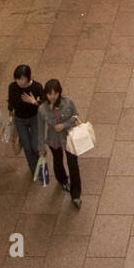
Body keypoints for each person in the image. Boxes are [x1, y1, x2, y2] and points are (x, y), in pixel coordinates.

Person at [39, 78, 82, 208]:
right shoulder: (43, 108)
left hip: (69, 137)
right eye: (49, 93)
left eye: (55, 93)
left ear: (59, 93)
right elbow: (40, 128)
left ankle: (76, 195)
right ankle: (62, 179)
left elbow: (75, 116)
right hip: (54, 139)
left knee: (73, 164)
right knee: (57, 161)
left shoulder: (68, 102)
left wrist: (64, 124)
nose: (52, 96)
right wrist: (41, 147)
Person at [7, 64, 44, 176]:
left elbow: (44, 105)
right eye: (17, 78)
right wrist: (11, 114)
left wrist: (34, 102)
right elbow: (11, 102)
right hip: (20, 119)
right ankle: (34, 169)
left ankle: (40, 163)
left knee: (35, 146)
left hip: (34, 118)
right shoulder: (13, 87)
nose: (19, 81)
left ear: (28, 77)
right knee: (27, 147)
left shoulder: (37, 87)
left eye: (21, 78)